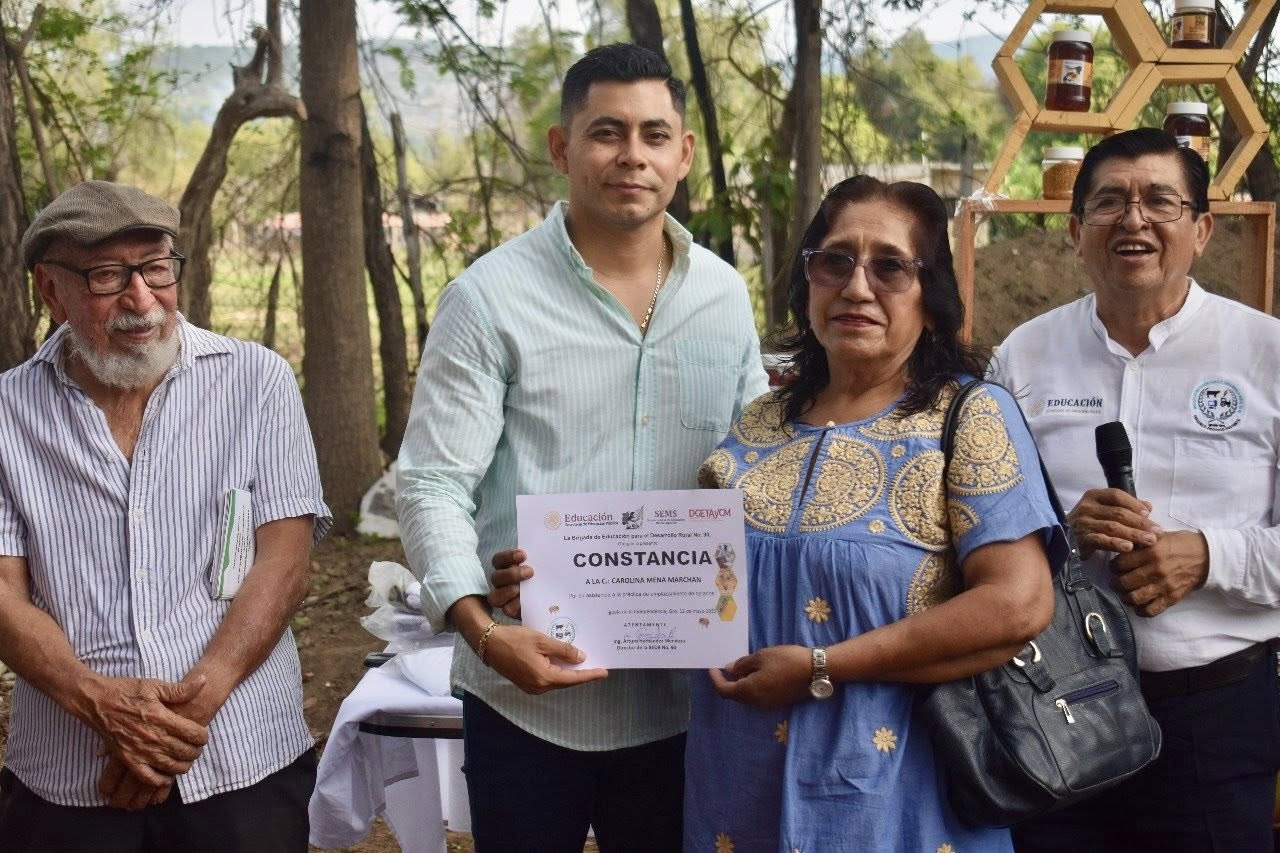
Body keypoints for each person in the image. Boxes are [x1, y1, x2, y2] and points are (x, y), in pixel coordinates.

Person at [395, 44, 768, 851]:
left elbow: (754, 470)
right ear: (564, 148)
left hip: (686, 703)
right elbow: (429, 484)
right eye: (607, 132)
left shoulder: (723, 298)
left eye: (654, 134)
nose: (632, 154)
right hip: (526, 700)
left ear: (683, 154)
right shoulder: (488, 300)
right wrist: (483, 630)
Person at [684, 175, 1063, 852]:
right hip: (741, 789)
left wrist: (826, 662)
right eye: (835, 261)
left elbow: (1019, 603)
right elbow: (690, 591)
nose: (857, 287)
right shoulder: (758, 424)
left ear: (931, 295)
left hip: (903, 799)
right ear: (807, 283)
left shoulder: (966, 416)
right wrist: (554, 588)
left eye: (890, 266)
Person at [0, 180, 330, 851]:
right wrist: (100, 703)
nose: (142, 299)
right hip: (69, 775)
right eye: (106, 276)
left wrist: (175, 723)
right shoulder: (7, 413)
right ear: (50, 290)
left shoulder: (256, 381)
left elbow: (285, 560)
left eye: (155, 268)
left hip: (241, 759)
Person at [993, 127, 1280, 850]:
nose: (1134, 219)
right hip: (1053, 708)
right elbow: (976, 533)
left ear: (1203, 228)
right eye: (1110, 201)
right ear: (1075, 230)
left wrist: (1210, 556)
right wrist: (1061, 532)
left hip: (1215, 716)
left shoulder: (1267, 354)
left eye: (1160, 200)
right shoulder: (1022, 357)